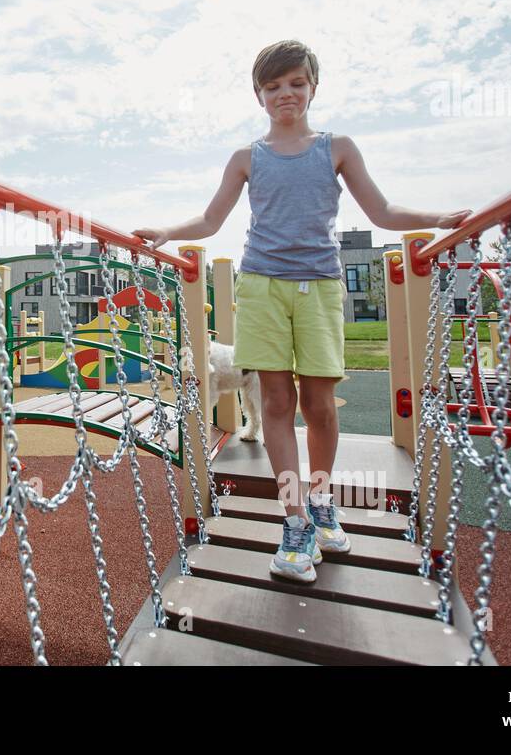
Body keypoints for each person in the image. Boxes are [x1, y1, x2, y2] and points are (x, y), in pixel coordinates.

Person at [132, 39, 470, 583]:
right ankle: (294, 523)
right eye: (273, 86)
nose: (285, 94)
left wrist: (438, 217)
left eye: (295, 83)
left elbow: (381, 212)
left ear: (313, 86)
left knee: (320, 403)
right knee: (275, 400)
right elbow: (211, 220)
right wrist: (167, 232)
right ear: (259, 95)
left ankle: (320, 503)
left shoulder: (336, 148)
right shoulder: (248, 158)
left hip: (319, 284)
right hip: (263, 285)